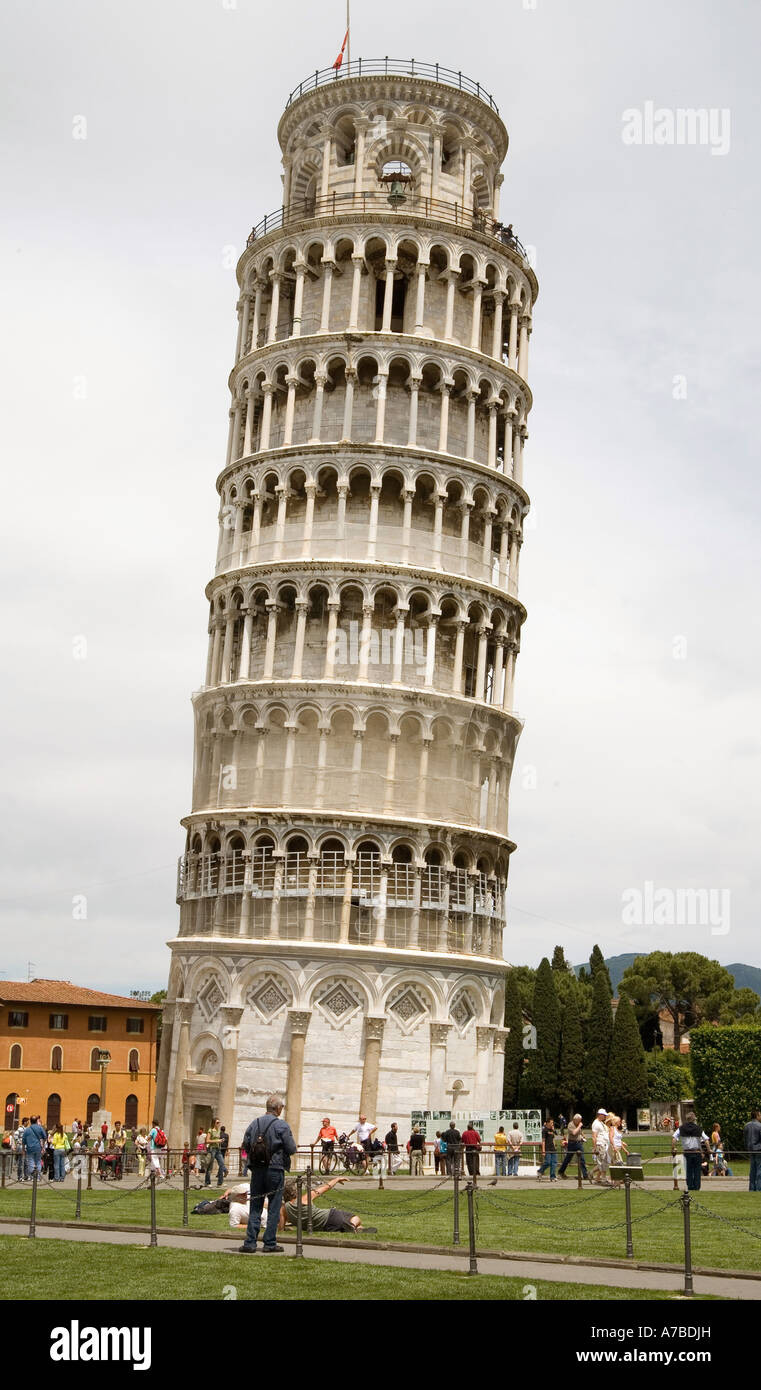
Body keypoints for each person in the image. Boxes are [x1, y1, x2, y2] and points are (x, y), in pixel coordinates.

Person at [240, 1094, 297, 1254]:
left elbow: (245, 1144)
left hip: (257, 1169)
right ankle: (270, 1242)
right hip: (275, 1169)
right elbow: (291, 1148)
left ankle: (250, 1243)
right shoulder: (282, 1126)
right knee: (274, 1206)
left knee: (256, 1206)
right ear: (278, 1109)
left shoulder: (254, 1123)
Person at [280, 1175, 377, 1235]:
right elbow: (325, 1187)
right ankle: (352, 1226)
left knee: (345, 1227)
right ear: (296, 1191)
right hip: (329, 1216)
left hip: (324, 1227)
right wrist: (337, 1179)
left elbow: (281, 1229)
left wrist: (286, 1228)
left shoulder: (284, 1209)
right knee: (355, 1218)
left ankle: (357, 1229)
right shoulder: (304, 1198)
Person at [672, 1111, 710, 1192]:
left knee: (688, 1170)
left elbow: (674, 1138)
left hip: (687, 1153)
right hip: (697, 1152)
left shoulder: (681, 1128)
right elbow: (706, 1140)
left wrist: (673, 1148)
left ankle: (690, 1186)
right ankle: (696, 1187)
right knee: (697, 1170)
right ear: (693, 1120)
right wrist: (709, 1150)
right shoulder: (699, 1128)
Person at [558, 1114, 590, 1180]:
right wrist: (579, 1126)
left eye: (580, 1121)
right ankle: (561, 1171)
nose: (580, 1122)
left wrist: (583, 1136)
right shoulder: (570, 1124)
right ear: (575, 1119)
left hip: (579, 1143)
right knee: (568, 1159)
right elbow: (574, 1133)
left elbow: (579, 1132)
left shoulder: (578, 1125)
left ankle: (585, 1175)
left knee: (582, 1159)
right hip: (572, 1143)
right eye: (579, 1120)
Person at [21, 1115, 47, 1180]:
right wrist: (43, 1146)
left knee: (31, 1162)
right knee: (38, 1161)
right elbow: (44, 1137)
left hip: (30, 1148)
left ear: (30, 1121)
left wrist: (23, 1149)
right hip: (38, 1147)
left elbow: (23, 1140)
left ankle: (33, 1176)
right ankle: (38, 1177)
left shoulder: (27, 1129)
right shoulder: (40, 1128)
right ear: (36, 1121)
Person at [204, 1117, 228, 1187]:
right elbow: (207, 1141)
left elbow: (217, 1139)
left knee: (222, 1164)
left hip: (218, 1149)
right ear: (214, 1123)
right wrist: (217, 1140)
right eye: (217, 1122)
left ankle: (220, 1183)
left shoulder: (218, 1131)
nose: (219, 1124)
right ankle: (207, 1182)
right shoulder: (210, 1130)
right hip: (212, 1149)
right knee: (210, 1166)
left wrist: (221, 1140)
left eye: (219, 1122)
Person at [591, 1109, 611, 1186]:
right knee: (603, 1162)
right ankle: (603, 1179)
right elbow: (594, 1136)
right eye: (604, 1115)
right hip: (600, 1144)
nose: (605, 1116)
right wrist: (595, 1147)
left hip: (603, 1144)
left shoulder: (600, 1123)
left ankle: (592, 1172)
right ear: (600, 1114)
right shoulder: (596, 1124)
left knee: (604, 1162)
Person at [743, 1108, 761, 1192]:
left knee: (752, 1170)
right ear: (757, 1115)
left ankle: (751, 1188)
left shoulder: (746, 1125)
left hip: (750, 1149)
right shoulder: (759, 1126)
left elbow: (745, 1139)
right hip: (758, 1149)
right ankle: (758, 1188)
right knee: (759, 1170)